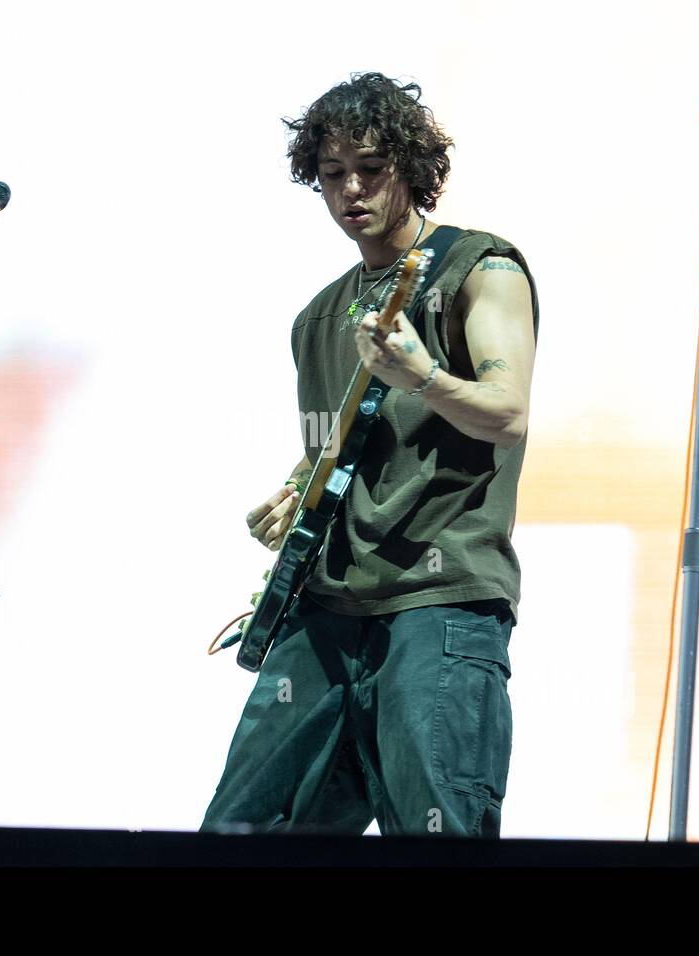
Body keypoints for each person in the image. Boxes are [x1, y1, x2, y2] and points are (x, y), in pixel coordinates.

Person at [200, 72, 539, 838]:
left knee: (438, 834)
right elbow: (334, 449)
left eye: (372, 170)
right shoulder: (316, 319)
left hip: (440, 600)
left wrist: (420, 372)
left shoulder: (479, 269)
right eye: (331, 175)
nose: (351, 189)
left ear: (413, 169)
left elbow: (508, 411)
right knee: (237, 833)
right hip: (324, 609)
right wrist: (295, 491)